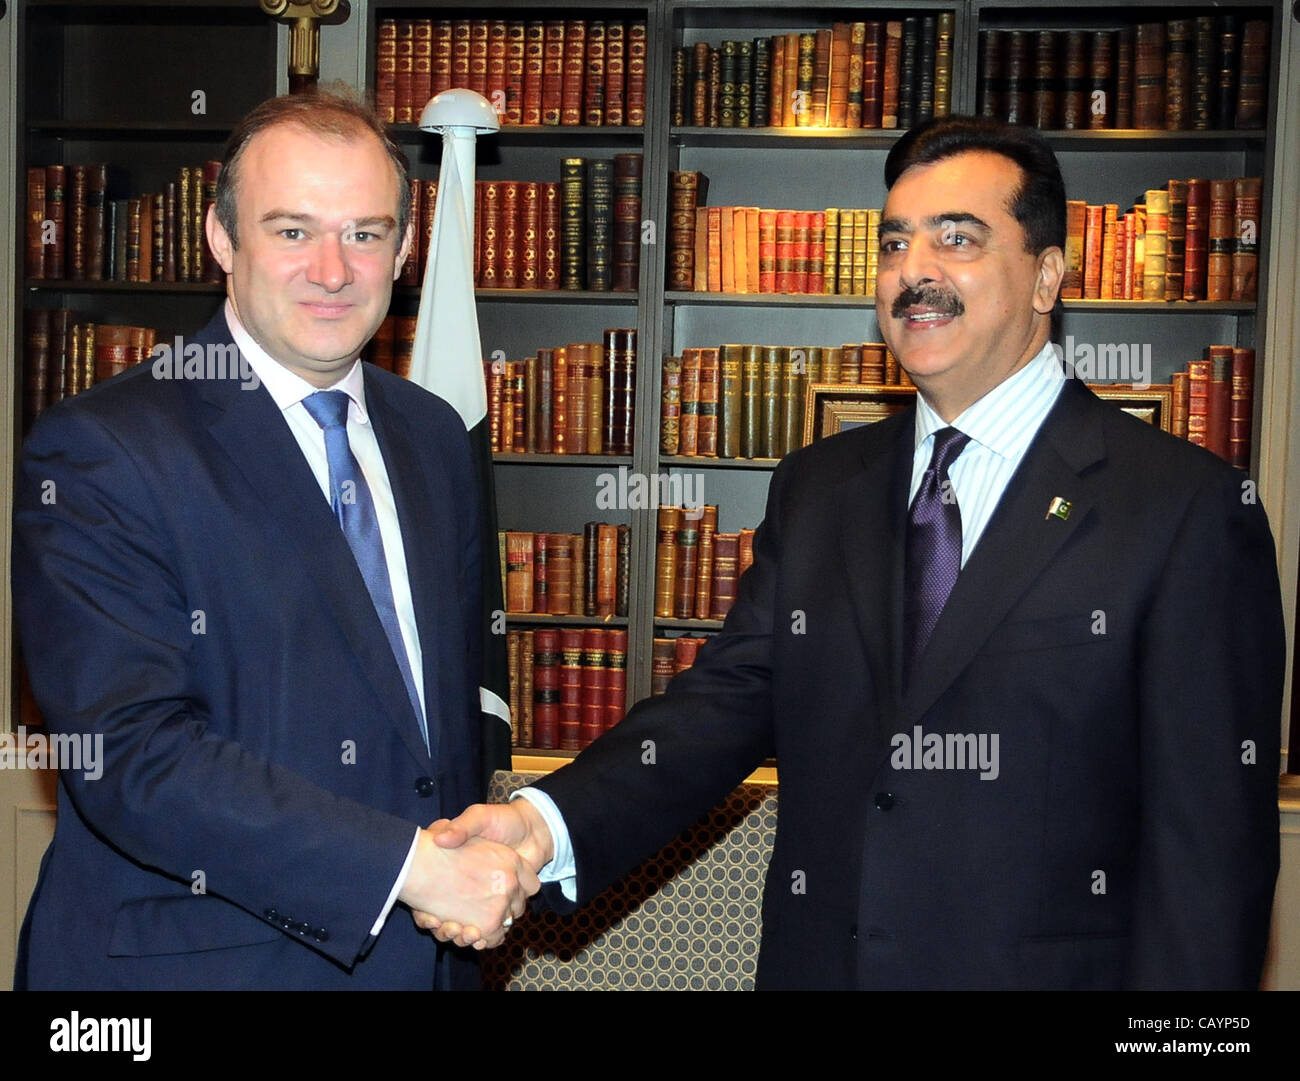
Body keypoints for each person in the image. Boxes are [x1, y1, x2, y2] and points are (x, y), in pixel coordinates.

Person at [429, 115, 1285, 990]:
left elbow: (1211, 866)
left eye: (959, 238)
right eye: (894, 242)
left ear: (1048, 276)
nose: (915, 270)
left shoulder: (1184, 510)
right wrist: (543, 823)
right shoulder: (819, 487)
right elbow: (719, 710)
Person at [12, 89, 537, 990]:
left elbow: (439, 727)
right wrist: (407, 867)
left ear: (406, 250)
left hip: (427, 961)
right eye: (293, 231)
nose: (332, 270)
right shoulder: (104, 447)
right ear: (223, 239)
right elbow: (133, 753)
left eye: (366, 233)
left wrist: (475, 856)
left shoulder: (435, 440)